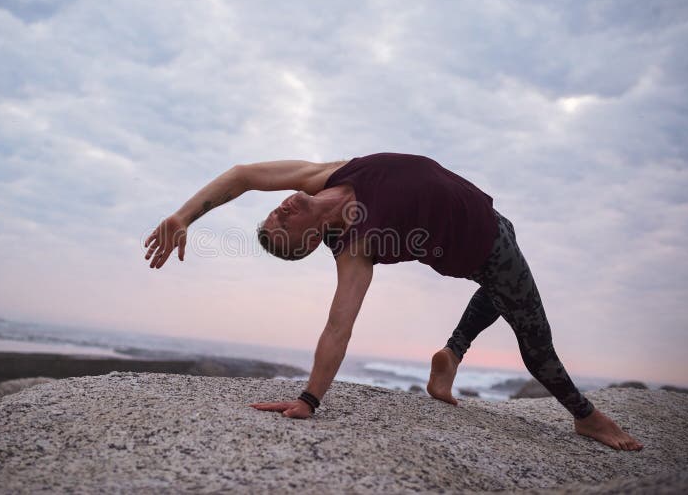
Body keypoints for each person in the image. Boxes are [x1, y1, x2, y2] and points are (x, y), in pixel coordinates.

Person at [143, 152, 643, 451]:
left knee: (502, 293)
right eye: (283, 223)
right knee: (537, 346)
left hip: (494, 223)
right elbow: (338, 328)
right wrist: (309, 400)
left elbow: (243, 174)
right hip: (486, 246)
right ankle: (585, 416)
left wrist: (186, 215)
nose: (281, 207)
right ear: (309, 239)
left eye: (275, 213)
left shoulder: (321, 176)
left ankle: (451, 355)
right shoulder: (354, 248)